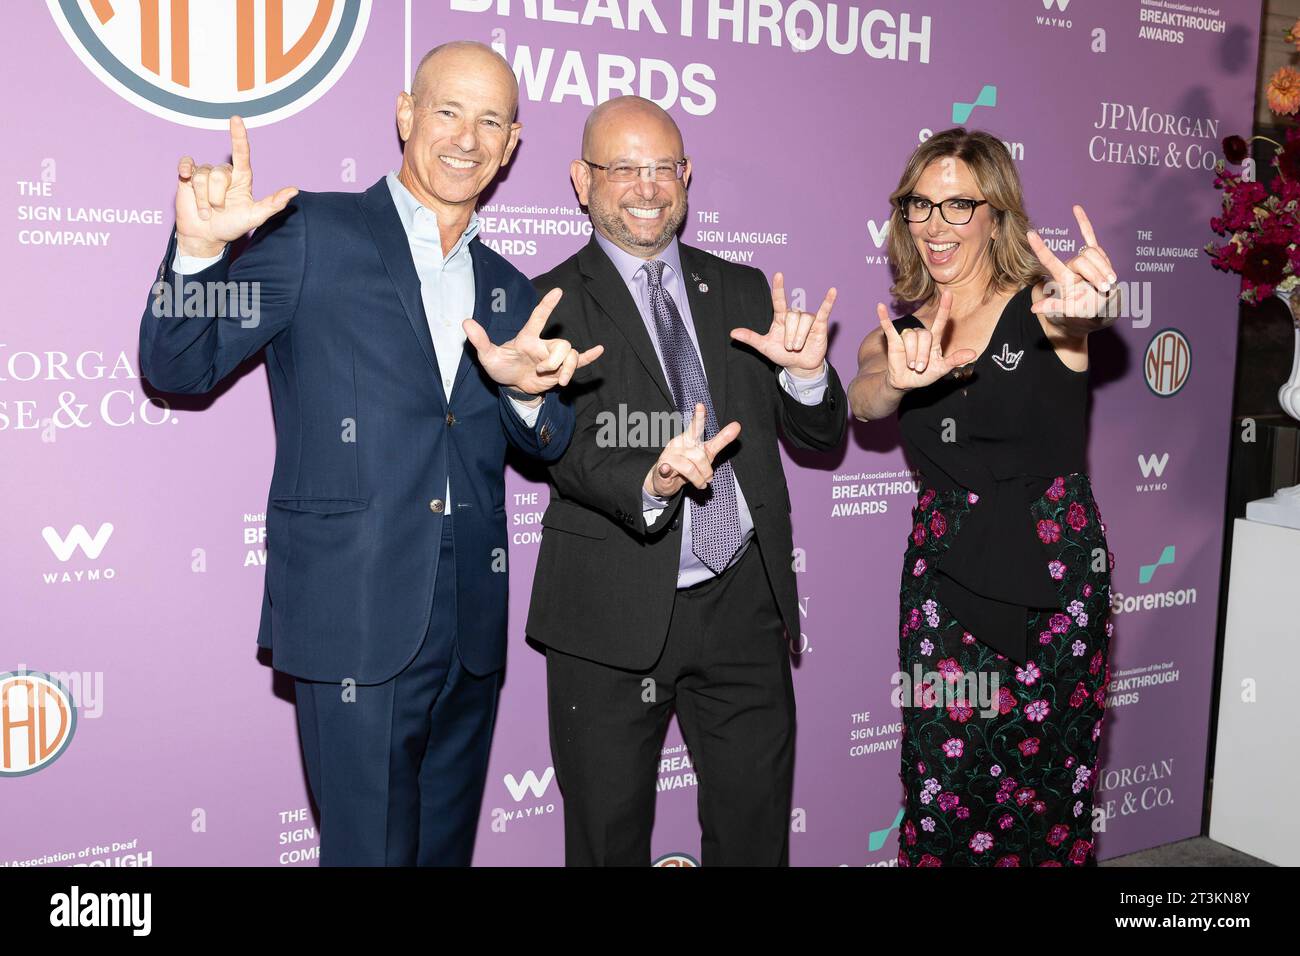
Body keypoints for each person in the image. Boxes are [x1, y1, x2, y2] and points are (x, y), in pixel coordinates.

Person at [137, 41, 599, 866]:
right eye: (447, 110)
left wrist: (527, 395)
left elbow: (555, 440)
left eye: (491, 119)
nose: (467, 136)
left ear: (513, 145)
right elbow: (179, 364)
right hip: (352, 614)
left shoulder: (512, 288)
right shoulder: (315, 231)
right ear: (404, 116)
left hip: (471, 624)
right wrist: (199, 253)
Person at [525, 95, 847, 866]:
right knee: (607, 838)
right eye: (622, 168)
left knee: (755, 829)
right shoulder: (547, 305)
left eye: (663, 167)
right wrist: (652, 479)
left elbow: (820, 436)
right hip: (607, 612)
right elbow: (554, 445)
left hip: (742, 602)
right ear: (581, 180)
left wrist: (807, 380)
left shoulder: (741, 291)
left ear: (687, 175)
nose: (646, 186)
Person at [849, 128, 1118, 867]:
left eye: (959, 205)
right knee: (941, 780)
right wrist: (899, 380)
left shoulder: (1046, 305)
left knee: (1050, 783)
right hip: (945, 577)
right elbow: (866, 397)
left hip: (1053, 572)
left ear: (997, 214)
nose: (935, 225)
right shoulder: (898, 332)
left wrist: (1090, 304)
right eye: (919, 205)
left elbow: (1080, 320)